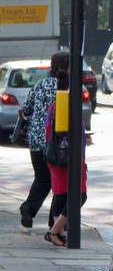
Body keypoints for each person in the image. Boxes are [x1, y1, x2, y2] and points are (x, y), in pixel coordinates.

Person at [18, 51, 66, 230]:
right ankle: (55, 221)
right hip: (54, 141)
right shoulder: (65, 87)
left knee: (42, 177)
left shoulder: (40, 84)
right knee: (60, 180)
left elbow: (26, 109)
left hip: (35, 139)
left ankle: (29, 208)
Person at [43, 65, 87, 248]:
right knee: (80, 195)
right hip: (68, 158)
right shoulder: (68, 105)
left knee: (60, 195)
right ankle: (54, 231)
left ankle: (59, 233)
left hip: (54, 156)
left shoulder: (54, 106)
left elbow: (49, 130)